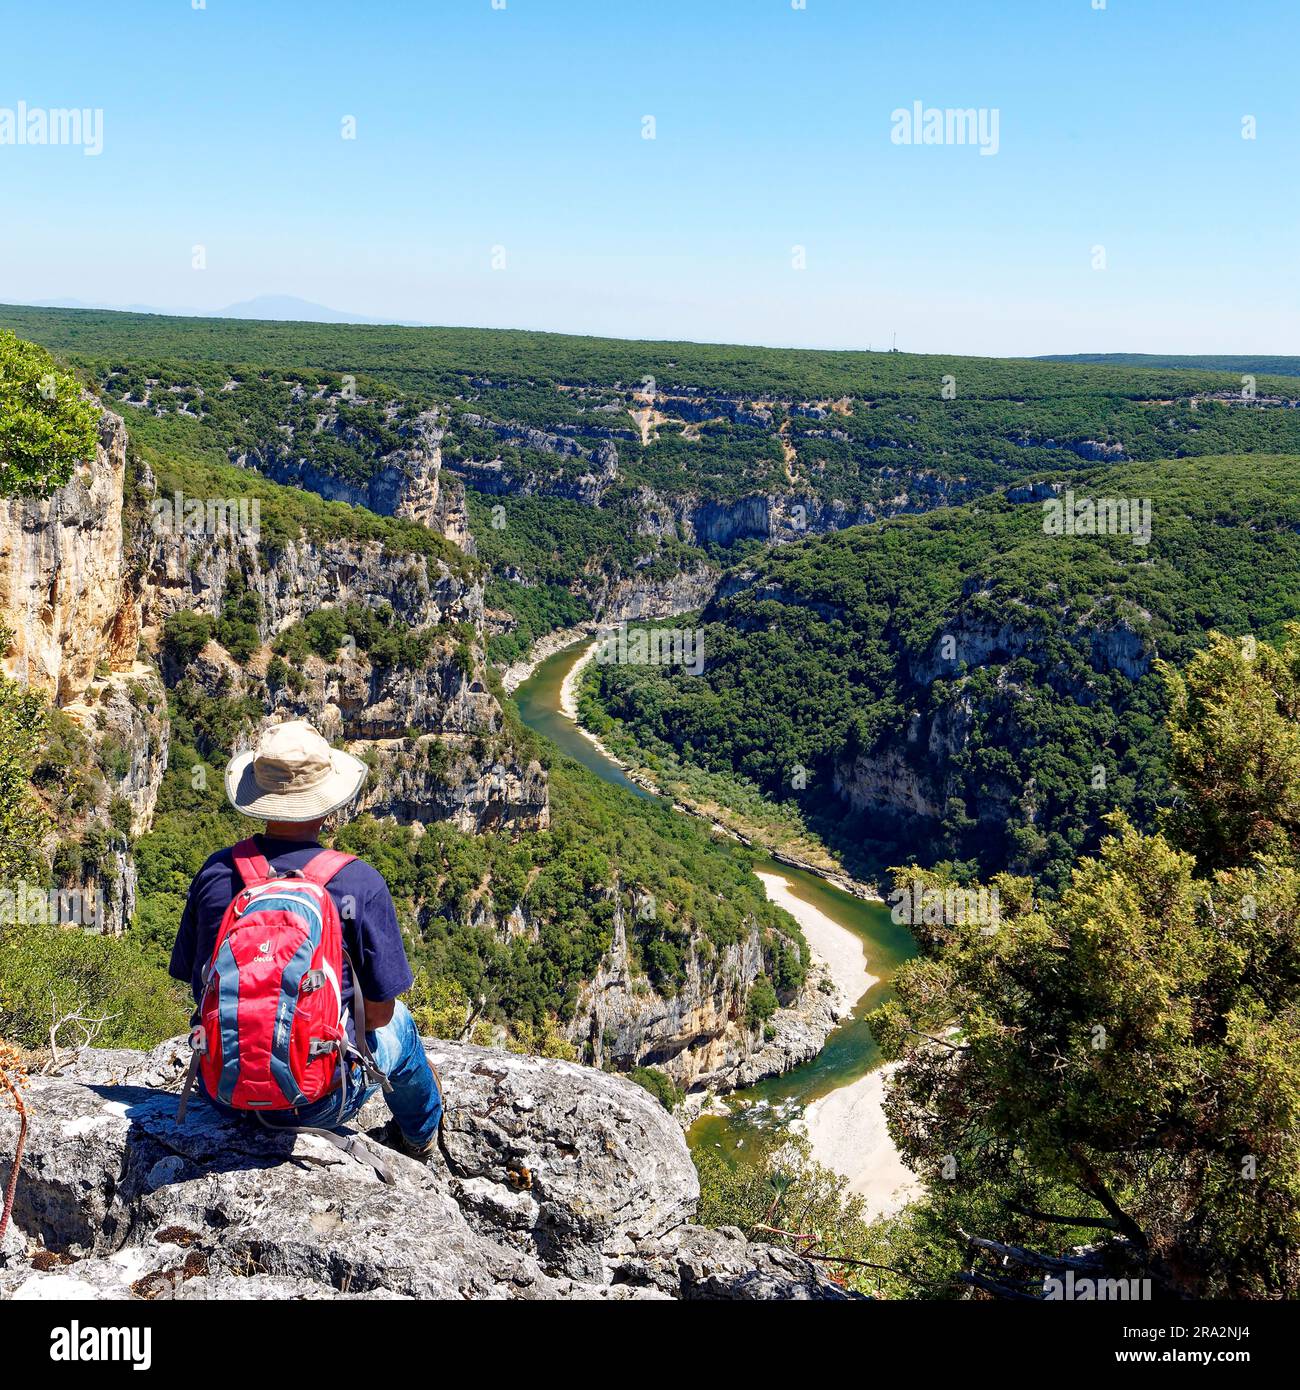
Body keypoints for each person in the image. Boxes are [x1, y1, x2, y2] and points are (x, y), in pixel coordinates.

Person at [169, 719, 443, 1160]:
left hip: (222, 1092)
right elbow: (377, 1015)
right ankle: (419, 1138)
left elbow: (198, 985)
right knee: (402, 1026)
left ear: (258, 798)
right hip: (319, 1100)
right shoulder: (359, 882)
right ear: (327, 804)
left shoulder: (214, 874)